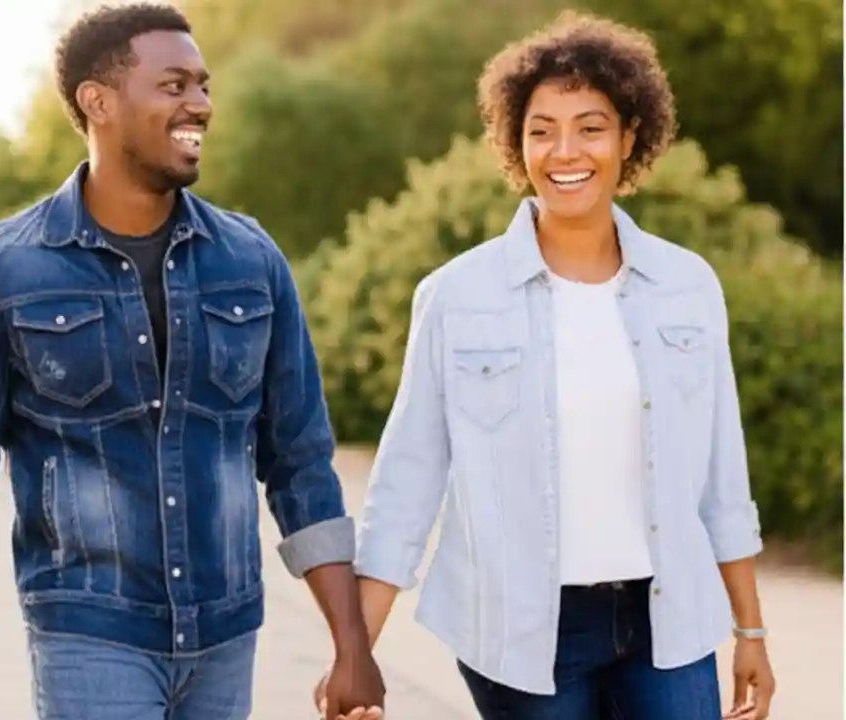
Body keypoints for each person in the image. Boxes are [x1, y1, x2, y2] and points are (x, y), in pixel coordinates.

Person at [0, 4, 384, 719]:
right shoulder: (0, 269)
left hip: (226, 634)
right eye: (175, 85)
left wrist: (352, 645)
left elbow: (301, 460)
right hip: (89, 633)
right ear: (99, 101)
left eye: (204, 86)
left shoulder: (251, 261)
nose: (201, 105)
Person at [318, 12, 776, 720]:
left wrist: (750, 630)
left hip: (670, 618)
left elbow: (721, 479)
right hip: (521, 633)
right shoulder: (456, 296)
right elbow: (406, 484)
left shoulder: (688, 287)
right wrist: (357, 651)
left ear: (630, 137)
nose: (567, 150)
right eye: (541, 129)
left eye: (591, 127)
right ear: (515, 144)